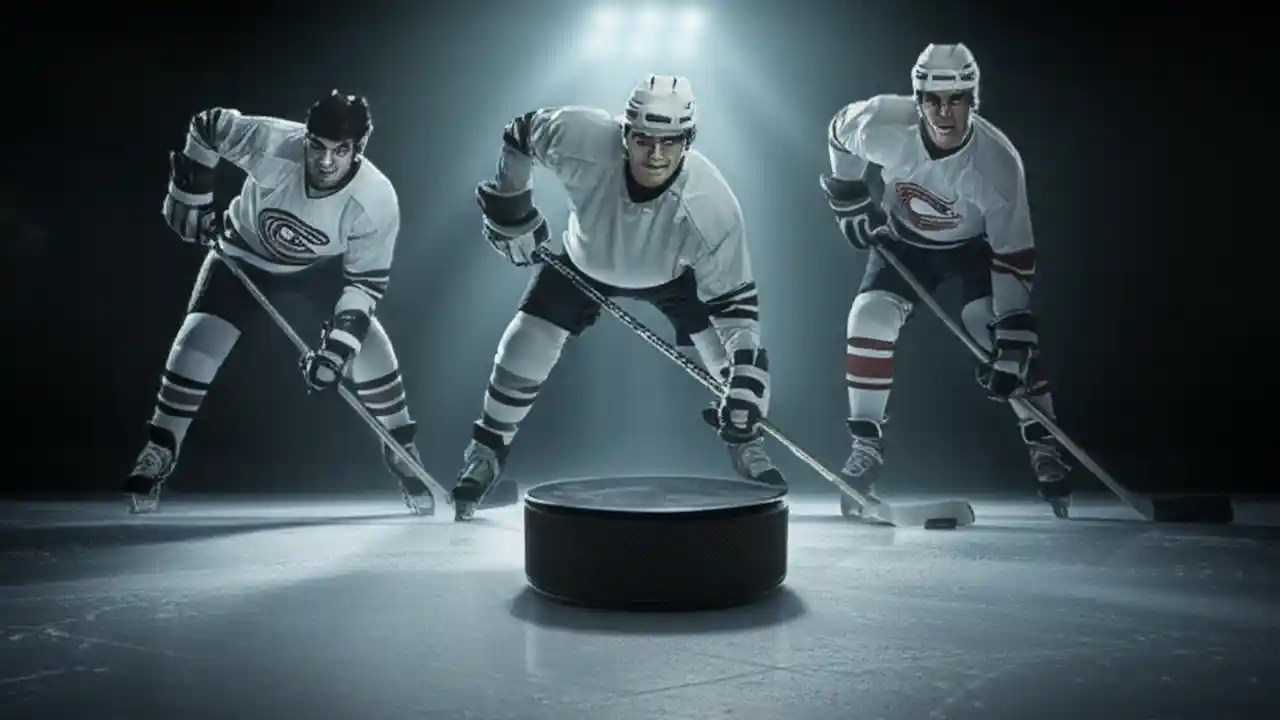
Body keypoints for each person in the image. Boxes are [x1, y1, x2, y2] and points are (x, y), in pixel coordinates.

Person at [453, 73, 784, 521]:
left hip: (672, 276)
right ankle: (487, 451)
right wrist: (512, 203)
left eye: (670, 141)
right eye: (644, 138)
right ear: (624, 131)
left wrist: (745, 376)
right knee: (525, 343)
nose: (656, 154)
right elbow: (520, 133)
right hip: (581, 260)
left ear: (689, 140)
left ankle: (745, 440)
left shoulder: (711, 204)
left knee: (728, 371)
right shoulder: (582, 137)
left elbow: (736, 309)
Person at [123, 90, 436, 515]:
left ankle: (401, 447)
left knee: (371, 347)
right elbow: (209, 125)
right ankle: (161, 446)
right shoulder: (272, 143)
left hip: (317, 268)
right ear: (305, 138)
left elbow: (363, 286)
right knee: (197, 342)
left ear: (358, 148)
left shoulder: (376, 201)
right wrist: (190, 194)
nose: (326, 162)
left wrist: (336, 352)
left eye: (340, 151)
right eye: (317, 147)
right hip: (243, 253)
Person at [820, 43, 1073, 519]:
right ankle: (866, 446)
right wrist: (848, 190)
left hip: (975, 249)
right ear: (917, 99)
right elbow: (838, 132)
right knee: (868, 319)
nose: (943, 112)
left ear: (973, 99)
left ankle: (1046, 443)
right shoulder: (881, 123)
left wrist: (1013, 344)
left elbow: (1013, 253)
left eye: (956, 99)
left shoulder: (997, 164)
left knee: (990, 329)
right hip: (904, 242)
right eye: (932, 99)